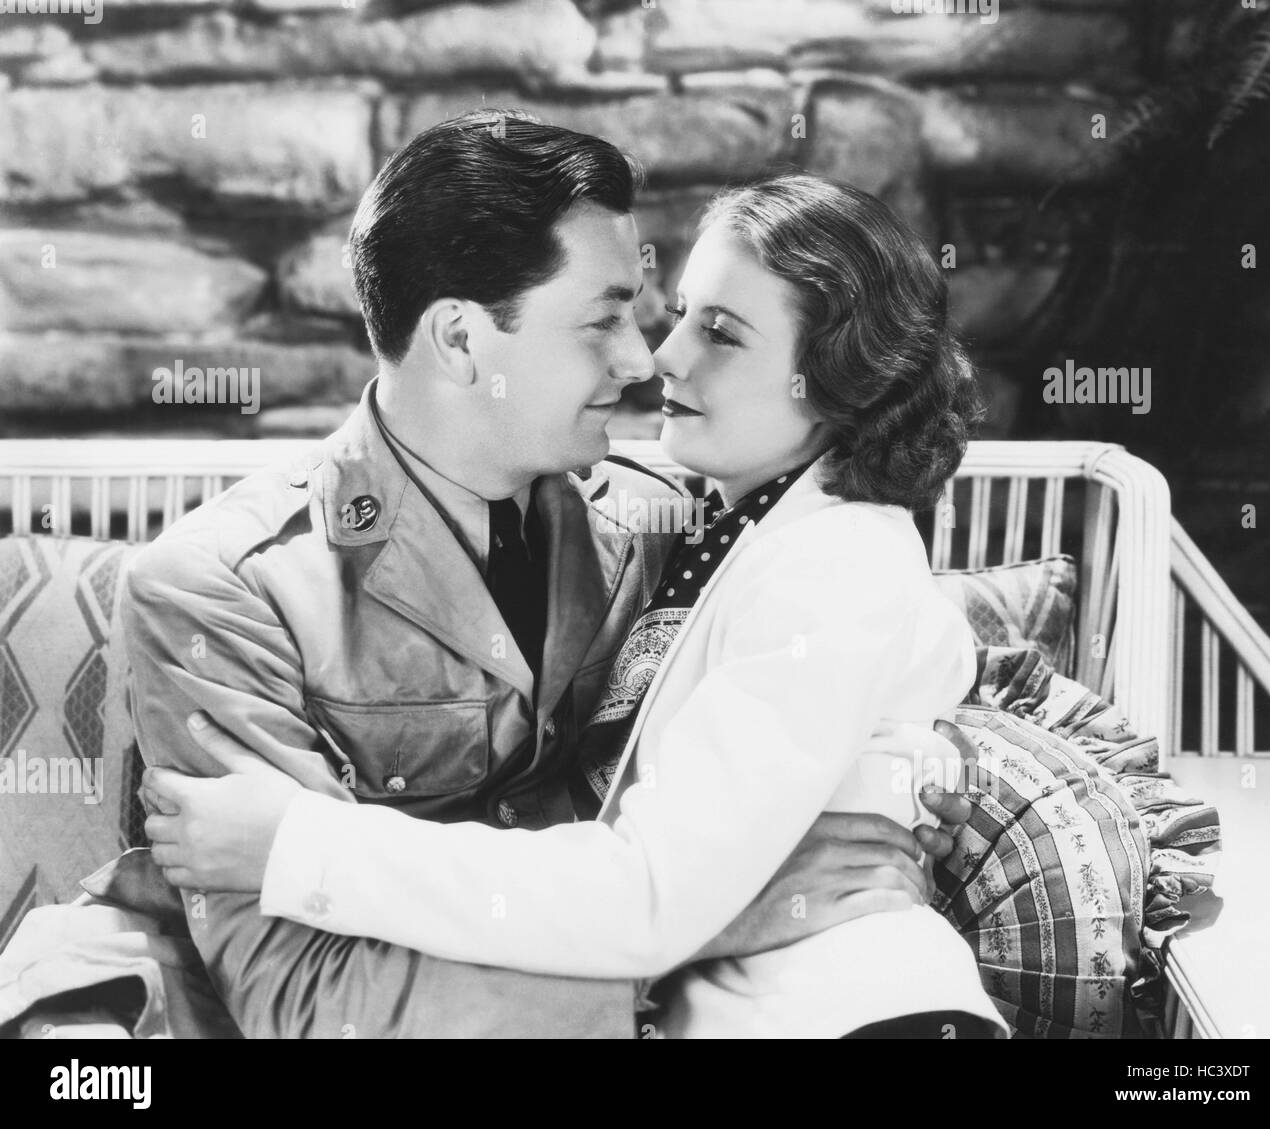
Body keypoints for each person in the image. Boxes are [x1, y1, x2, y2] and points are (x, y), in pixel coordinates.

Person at [118, 115, 975, 1038]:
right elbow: (315, 1004)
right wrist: (710, 929)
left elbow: (870, 633)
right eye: (606, 318)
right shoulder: (219, 589)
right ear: (459, 343)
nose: (646, 359)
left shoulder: (684, 524)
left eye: (689, 323)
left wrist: (929, 766)